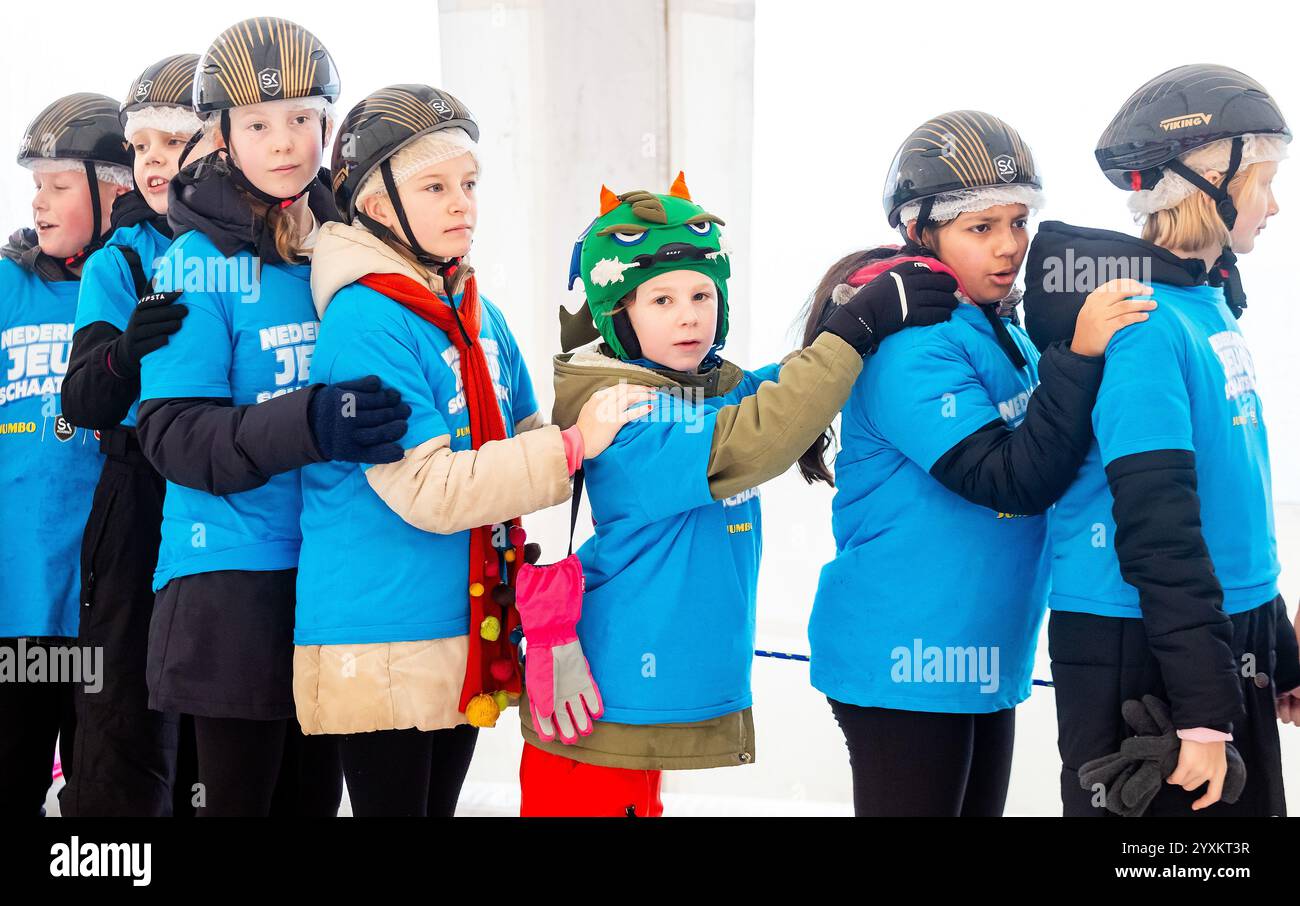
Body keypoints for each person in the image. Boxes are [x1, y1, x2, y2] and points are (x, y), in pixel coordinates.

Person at [803, 111, 1154, 816]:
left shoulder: (998, 330)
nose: (1010, 247)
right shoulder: (913, 344)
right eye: (981, 227)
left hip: (980, 653)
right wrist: (1081, 355)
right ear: (920, 230)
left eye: (1018, 221)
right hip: (906, 657)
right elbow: (1012, 479)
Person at [1022, 64, 1300, 816]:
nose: (1274, 206)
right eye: (1264, 184)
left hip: (1206, 635)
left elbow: (1230, 500)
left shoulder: (1206, 306)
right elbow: (1158, 523)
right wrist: (1204, 714)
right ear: (1209, 182)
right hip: (1137, 642)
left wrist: (1276, 642)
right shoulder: (1145, 326)